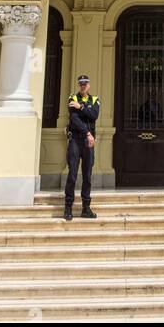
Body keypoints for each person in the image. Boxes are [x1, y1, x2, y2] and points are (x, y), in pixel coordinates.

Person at [64, 73, 100, 220]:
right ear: (78, 85)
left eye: (85, 83)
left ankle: (86, 208)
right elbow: (74, 119)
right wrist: (87, 133)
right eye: (81, 84)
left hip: (88, 143)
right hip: (76, 141)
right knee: (72, 174)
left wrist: (81, 107)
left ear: (89, 85)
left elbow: (94, 115)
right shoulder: (72, 98)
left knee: (87, 175)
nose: (83, 86)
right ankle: (68, 207)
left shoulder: (95, 100)